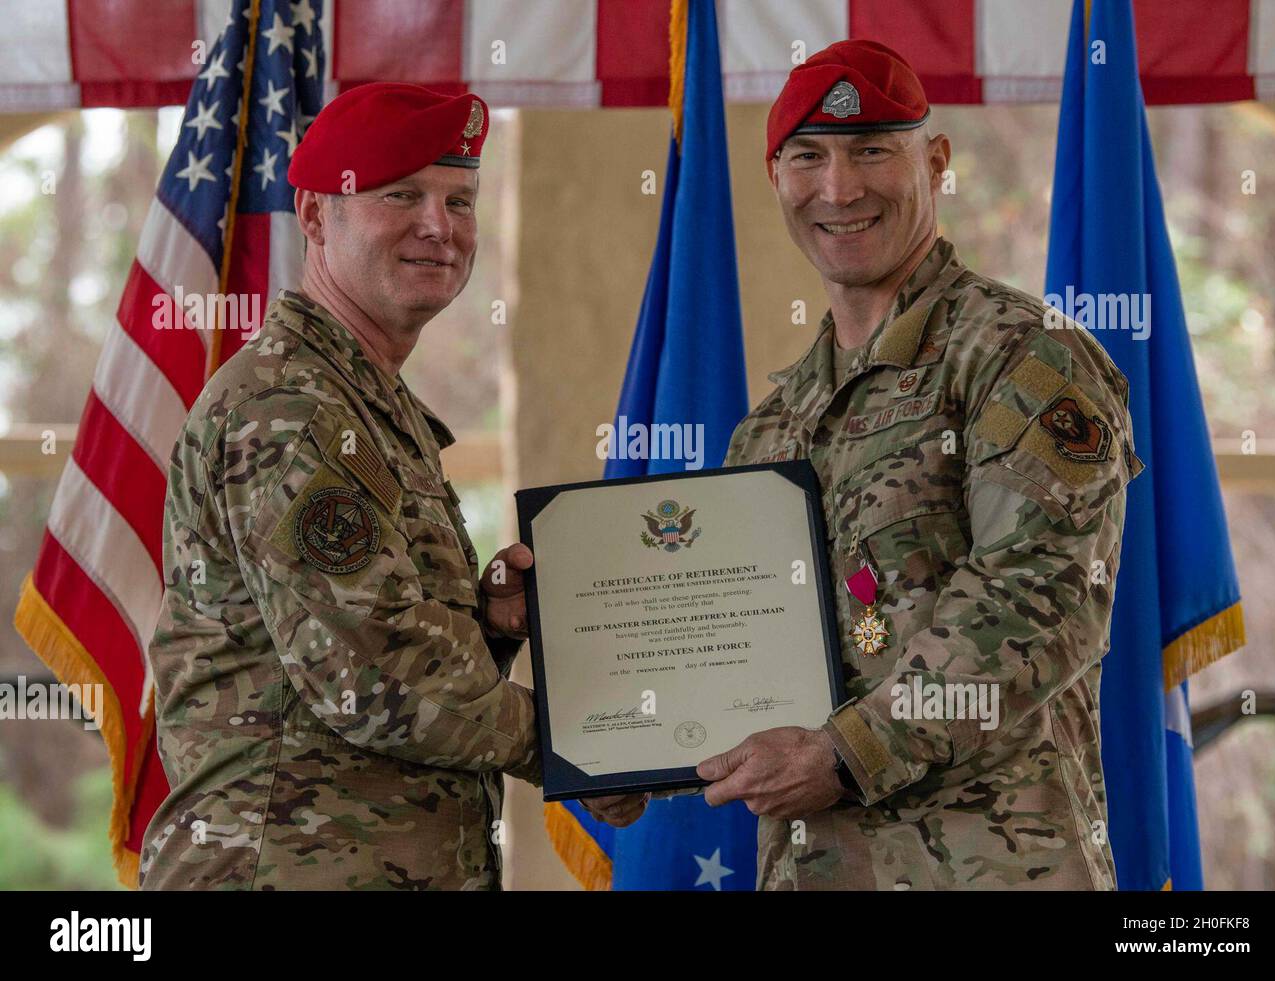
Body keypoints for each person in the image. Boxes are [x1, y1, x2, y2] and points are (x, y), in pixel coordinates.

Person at [594, 40, 1143, 891]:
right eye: (808, 156)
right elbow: (727, 659)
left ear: (936, 162)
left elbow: (1036, 600)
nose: (839, 188)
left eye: (871, 150)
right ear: (775, 175)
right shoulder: (769, 431)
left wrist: (849, 753)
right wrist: (625, 743)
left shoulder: (1022, 357)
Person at [141, 83, 546, 889]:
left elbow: (355, 639)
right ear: (318, 216)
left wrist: (482, 627)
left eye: (459, 201)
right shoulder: (292, 406)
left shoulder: (359, 399)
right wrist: (583, 740)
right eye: (402, 195)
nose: (440, 226)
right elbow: (371, 674)